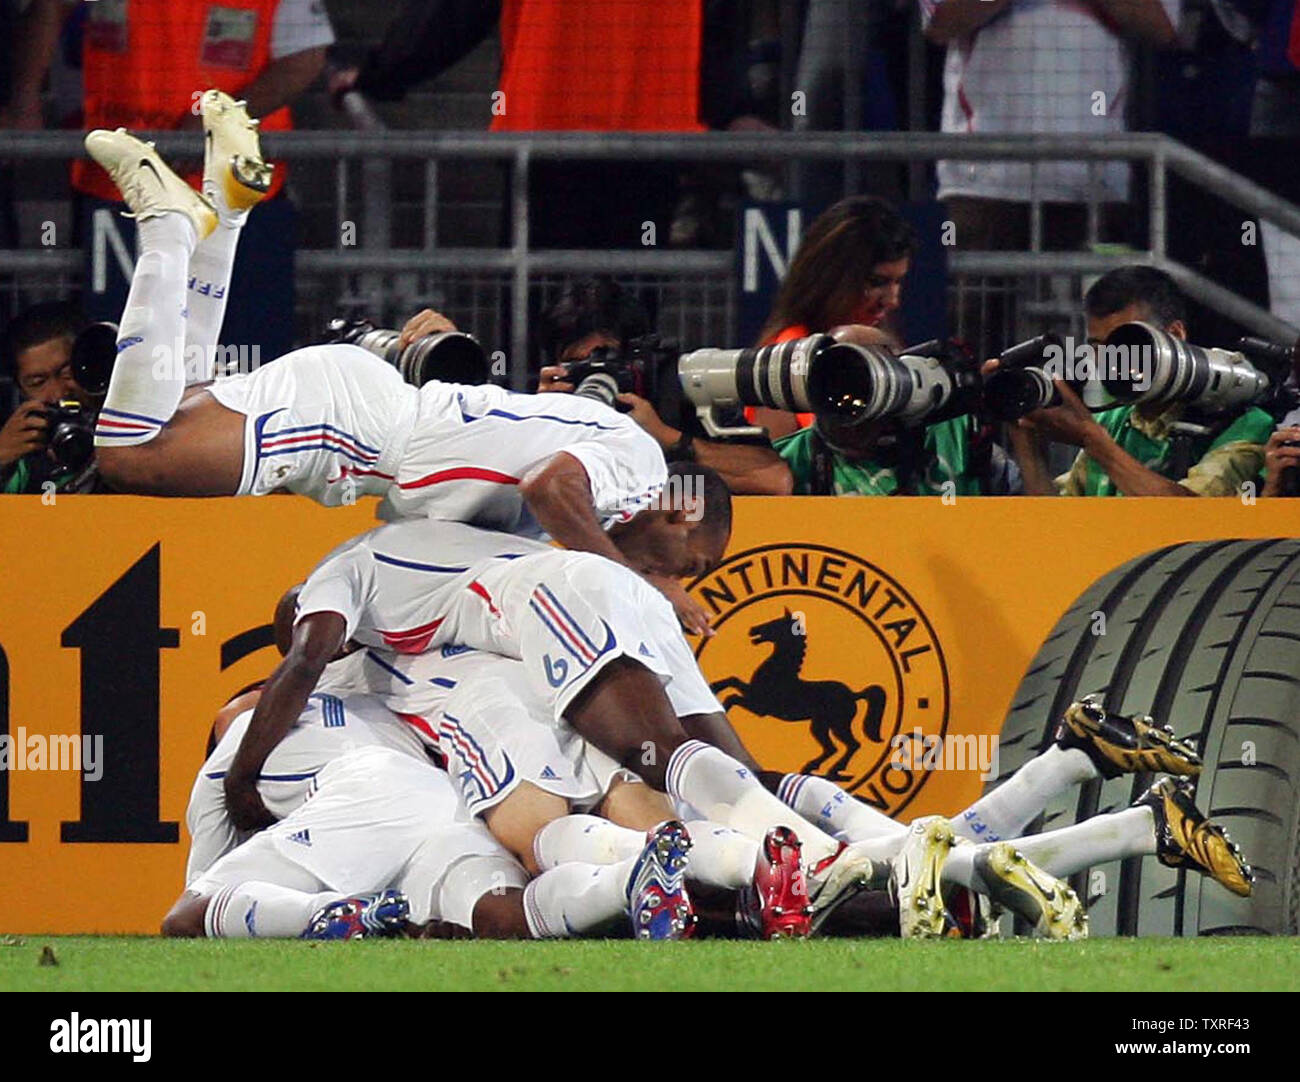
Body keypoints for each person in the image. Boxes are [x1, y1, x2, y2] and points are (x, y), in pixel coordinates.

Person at [80, 109, 720, 630]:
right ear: (679, 514)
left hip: (365, 414)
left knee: (174, 395)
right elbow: (553, 490)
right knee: (130, 454)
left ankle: (225, 209)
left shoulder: (574, 507)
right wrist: (642, 586)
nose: (679, 579)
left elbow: (508, 505)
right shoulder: (639, 464)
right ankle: (167, 228)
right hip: (354, 432)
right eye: (688, 567)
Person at [166, 682, 698, 941]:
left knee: (190, 916)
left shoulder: (239, 733)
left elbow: (199, 892)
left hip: (369, 790)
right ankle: (629, 878)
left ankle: (333, 911)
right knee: (502, 915)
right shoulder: (378, 698)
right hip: (449, 799)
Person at [9, 0, 332, 362]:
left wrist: (219, 114)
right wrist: (24, 99)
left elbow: (304, 58)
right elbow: (51, 7)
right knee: (117, 352)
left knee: (237, 356)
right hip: (115, 187)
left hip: (233, 193)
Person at [1003, 266, 1276, 497]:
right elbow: (1056, 526)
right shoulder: (1113, 420)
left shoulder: (1242, 421)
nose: (1111, 361)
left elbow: (1192, 522)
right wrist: (1025, 436)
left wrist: (1092, 439)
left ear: (1175, 334)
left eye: (1125, 344)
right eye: (1098, 346)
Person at [535, 277, 793, 495]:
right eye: (578, 365)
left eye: (607, 360)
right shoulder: (545, 411)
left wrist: (667, 437)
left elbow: (774, 479)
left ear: (639, 357)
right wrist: (539, 424)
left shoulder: (679, 392)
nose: (596, 374)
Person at [751, 196, 915, 441]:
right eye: (877, 282)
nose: (892, 301)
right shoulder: (782, 364)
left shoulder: (887, 349)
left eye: (898, 282)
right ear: (832, 277)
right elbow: (770, 472)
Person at [0, 300, 101, 493]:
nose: (57, 393)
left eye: (67, 373)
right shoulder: (19, 457)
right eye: (38, 383)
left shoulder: (133, 430)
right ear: (21, 390)